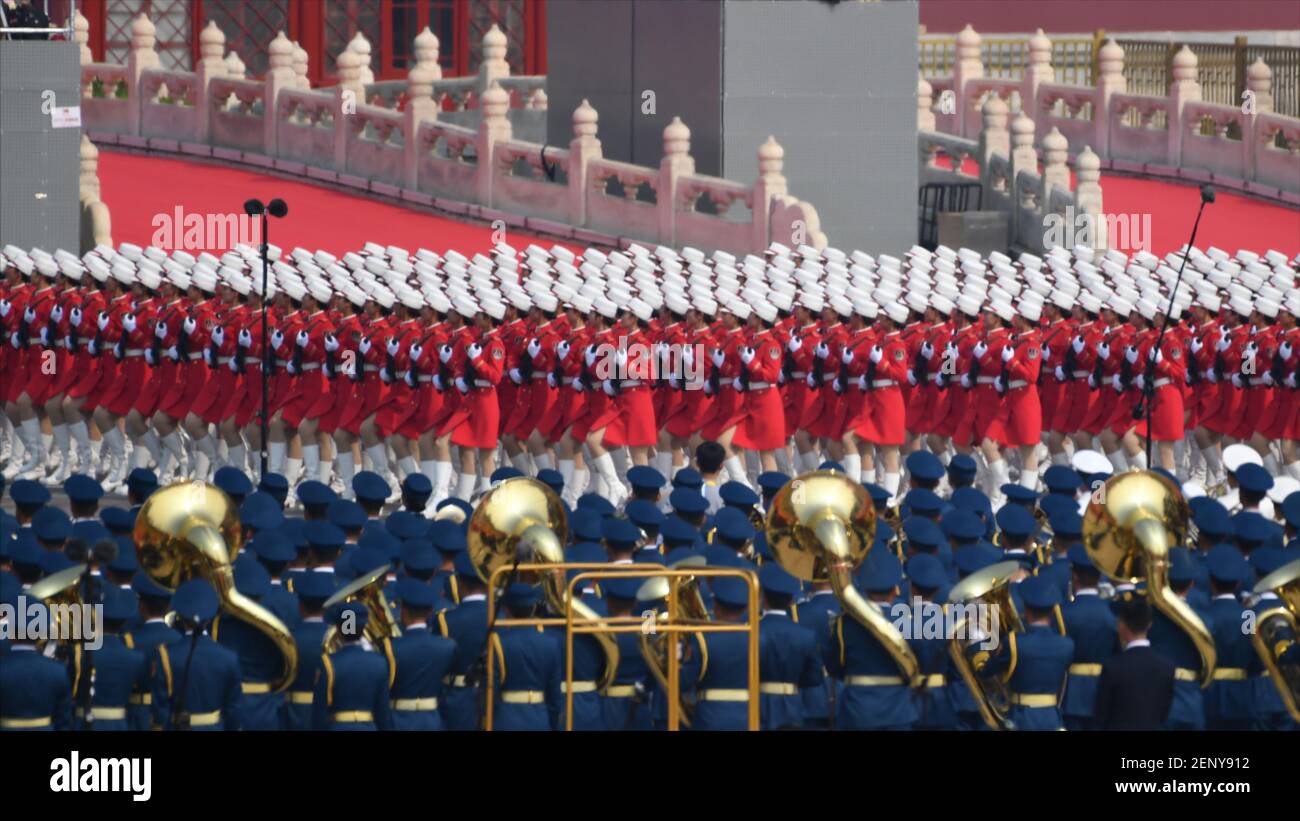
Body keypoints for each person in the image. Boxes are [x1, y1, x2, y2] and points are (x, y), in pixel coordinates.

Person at [981, 576, 1074, 731]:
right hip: (1052, 716)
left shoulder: (1014, 642)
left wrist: (982, 652)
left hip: (1021, 716)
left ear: (1025, 607)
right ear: (1052, 610)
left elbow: (987, 671)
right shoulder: (1067, 644)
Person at [150, 578, 243, 731]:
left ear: (179, 614)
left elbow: (161, 708)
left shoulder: (165, 655)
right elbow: (233, 710)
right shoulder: (229, 658)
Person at [756, 563, 823, 729]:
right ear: (792, 600)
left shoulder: (752, 630)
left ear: (763, 597)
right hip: (792, 704)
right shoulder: (806, 635)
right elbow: (814, 678)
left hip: (758, 703)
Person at [1093, 597, 1176, 730]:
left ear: (1122, 625)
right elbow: (1165, 713)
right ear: (1149, 624)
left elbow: (1101, 716)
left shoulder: (1113, 667)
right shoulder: (1167, 667)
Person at [489, 583, 562, 731]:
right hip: (540, 718)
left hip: (506, 718)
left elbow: (491, 691)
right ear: (534, 608)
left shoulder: (499, 642)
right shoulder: (551, 643)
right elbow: (554, 695)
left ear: (507, 610)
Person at [311, 602, 394, 730]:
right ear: (363, 628)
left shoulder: (328, 663)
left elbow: (319, 713)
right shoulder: (379, 663)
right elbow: (383, 713)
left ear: (338, 629)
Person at [388, 577, 456, 730]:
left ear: (403, 610)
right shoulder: (447, 646)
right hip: (433, 720)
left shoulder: (391, 647)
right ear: (430, 612)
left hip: (399, 720)